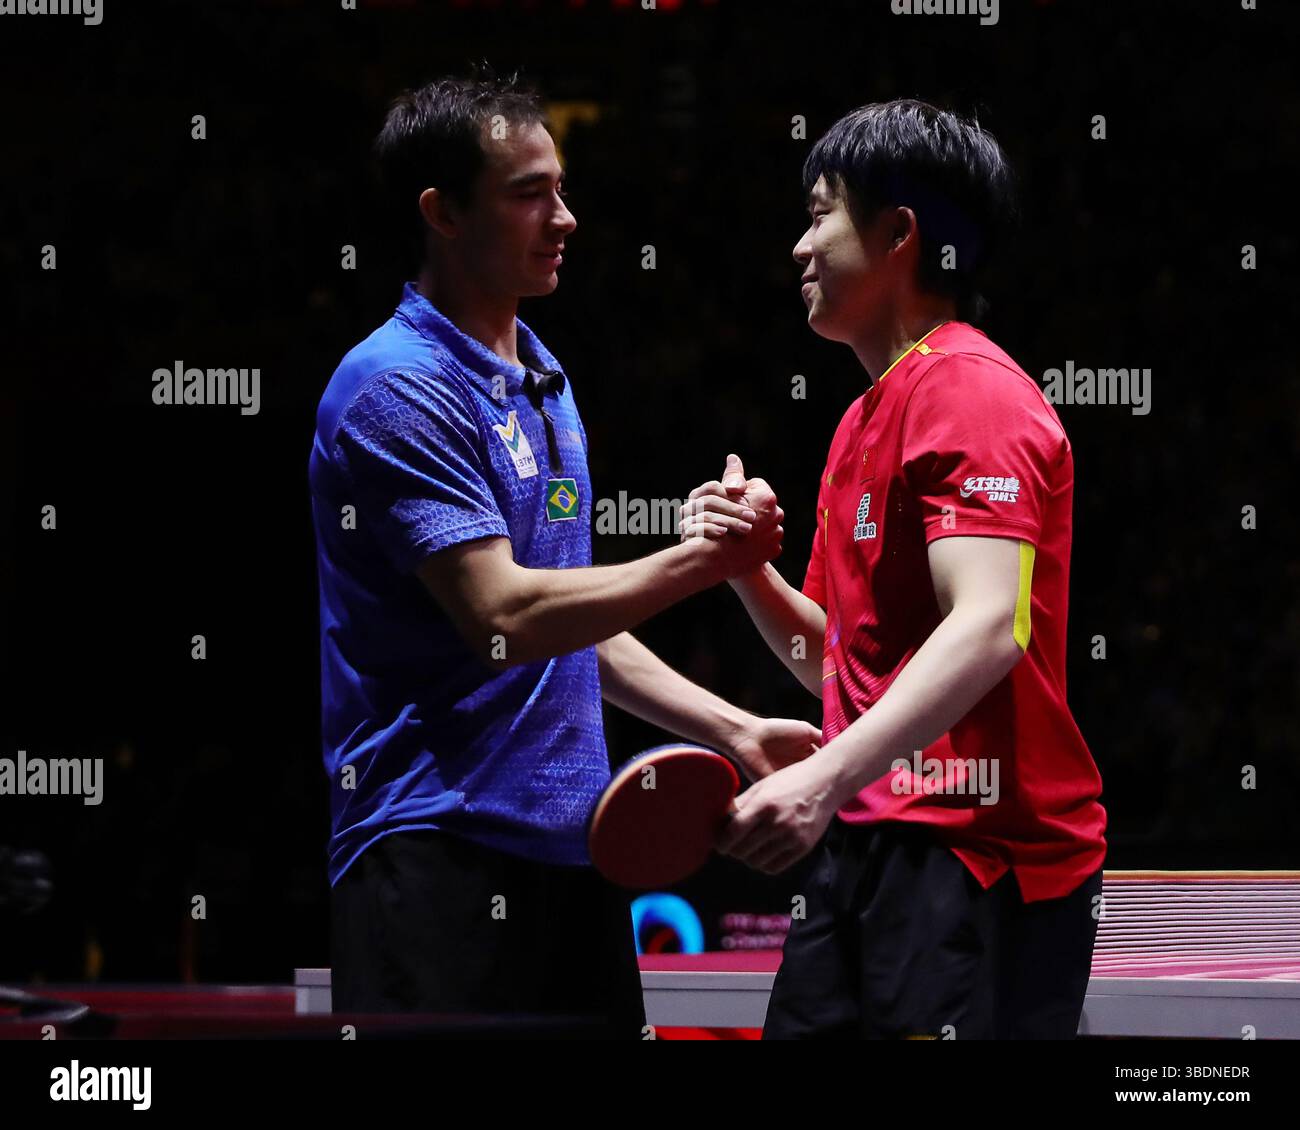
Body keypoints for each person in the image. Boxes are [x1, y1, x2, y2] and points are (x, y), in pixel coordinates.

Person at [308, 72, 820, 1036]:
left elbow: (571, 628)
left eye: (563, 187)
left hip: (574, 855)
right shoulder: (393, 389)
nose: (564, 217)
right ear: (443, 212)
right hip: (433, 850)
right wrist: (702, 563)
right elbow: (503, 617)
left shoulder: (543, 378)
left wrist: (735, 730)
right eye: (527, 192)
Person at [682, 100, 1107, 1039]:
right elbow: (842, 668)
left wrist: (822, 778)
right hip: (867, 847)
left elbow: (990, 625)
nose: (800, 246)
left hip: (976, 857)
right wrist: (745, 567)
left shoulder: (969, 387)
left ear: (900, 233)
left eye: (821, 212)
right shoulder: (862, 419)